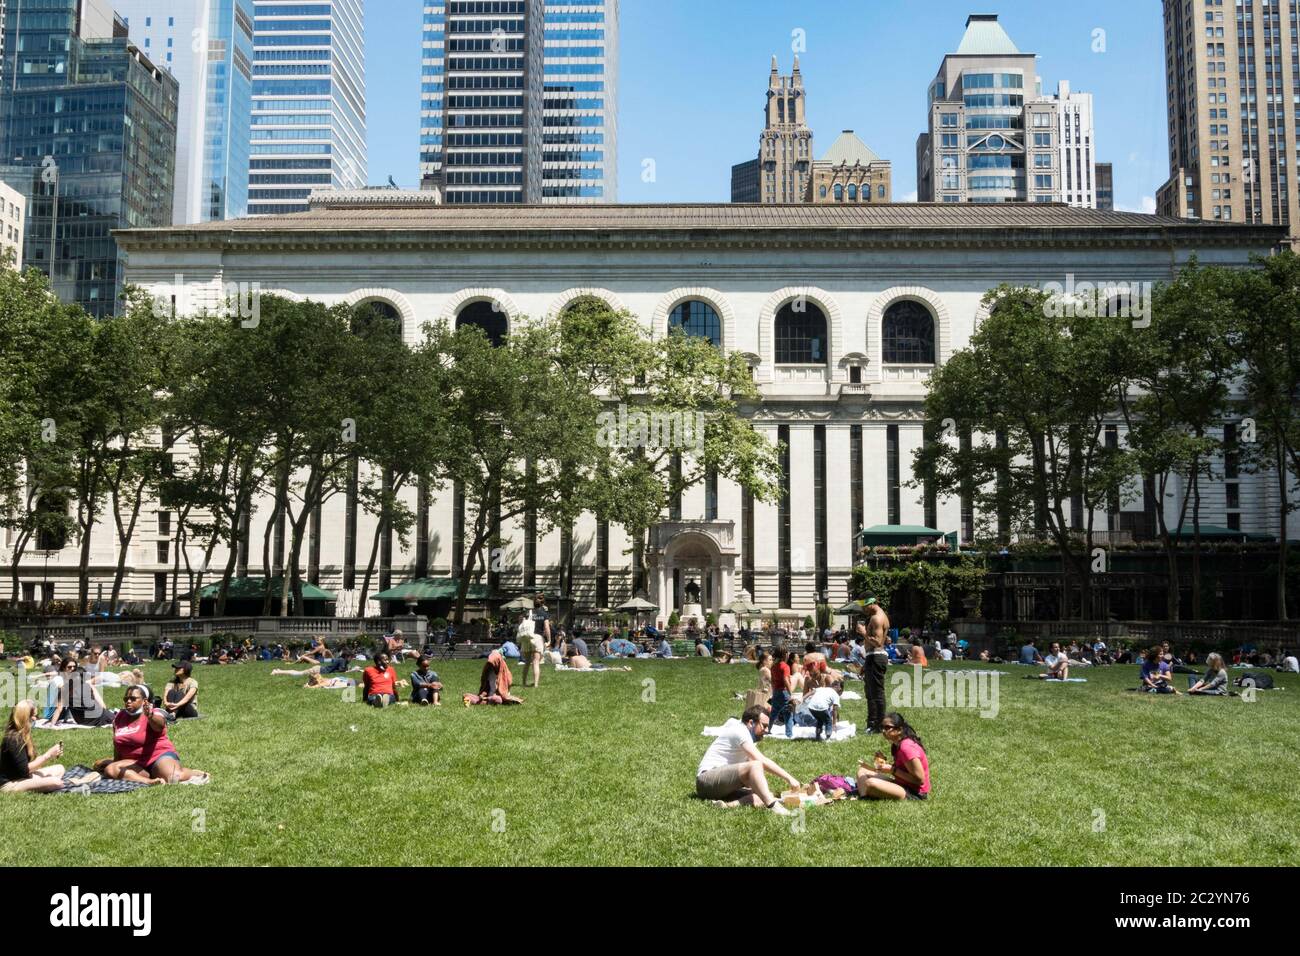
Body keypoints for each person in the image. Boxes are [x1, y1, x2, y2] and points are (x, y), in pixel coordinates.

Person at [695, 706, 800, 814]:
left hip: (720, 786)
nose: (766, 730)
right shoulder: (740, 731)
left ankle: (727, 806)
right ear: (751, 723)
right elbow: (760, 761)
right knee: (756, 765)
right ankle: (773, 806)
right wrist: (789, 778)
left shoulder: (747, 737)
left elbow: (751, 772)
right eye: (763, 726)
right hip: (705, 782)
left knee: (764, 794)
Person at [98, 685, 209, 786]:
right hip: (133, 762)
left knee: (174, 778)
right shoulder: (119, 717)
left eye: (133, 698)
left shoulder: (155, 713)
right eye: (126, 699)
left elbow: (159, 726)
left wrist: (150, 715)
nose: (128, 701)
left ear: (144, 701)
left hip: (157, 756)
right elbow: (117, 743)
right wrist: (117, 761)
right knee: (111, 769)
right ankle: (149, 781)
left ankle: (193, 773)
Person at [1, 701, 98, 793]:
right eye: (34, 716)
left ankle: (54, 783)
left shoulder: (22, 735)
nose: (36, 719)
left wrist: (50, 755)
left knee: (59, 768)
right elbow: (24, 770)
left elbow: (26, 767)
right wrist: (47, 755)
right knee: (55, 782)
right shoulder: (13, 739)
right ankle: (76, 783)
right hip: (10, 784)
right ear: (24, 717)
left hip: (22, 777)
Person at [857, 712, 931, 801]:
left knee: (870, 783)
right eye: (882, 727)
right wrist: (883, 762)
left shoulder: (907, 748)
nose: (883, 731)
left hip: (915, 792)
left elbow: (919, 780)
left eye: (887, 727)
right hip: (901, 784)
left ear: (899, 730)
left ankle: (867, 792)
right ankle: (864, 797)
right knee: (862, 771)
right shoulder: (897, 744)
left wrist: (892, 770)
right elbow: (903, 768)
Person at [860, 600, 891, 735]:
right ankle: (872, 723)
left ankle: (878, 726)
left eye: (864, 606)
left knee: (876, 693)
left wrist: (863, 633)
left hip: (876, 656)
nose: (863, 609)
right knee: (871, 692)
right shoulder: (881, 615)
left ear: (871, 603)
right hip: (873, 657)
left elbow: (878, 642)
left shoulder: (876, 618)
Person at [769, 648, 794, 737]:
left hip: (776, 692)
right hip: (784, 693)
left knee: (773, 713)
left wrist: (774, 691)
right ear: (785, 654)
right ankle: (789, 734)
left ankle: (768, 729)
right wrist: (791, 694)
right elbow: (786, 680)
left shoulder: (773, 666)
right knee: (788, 714)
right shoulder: (785, 666)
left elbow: (772, 680)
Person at [519, 607, 544, 689]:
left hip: (526, 638)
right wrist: (549, 639)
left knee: (527, 662)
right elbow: (546, 627)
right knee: (536, 662)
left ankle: (524, 683)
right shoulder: (542, 614)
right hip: (535, 637)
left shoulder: (526, 613)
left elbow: (520, 623)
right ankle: (536, 684)